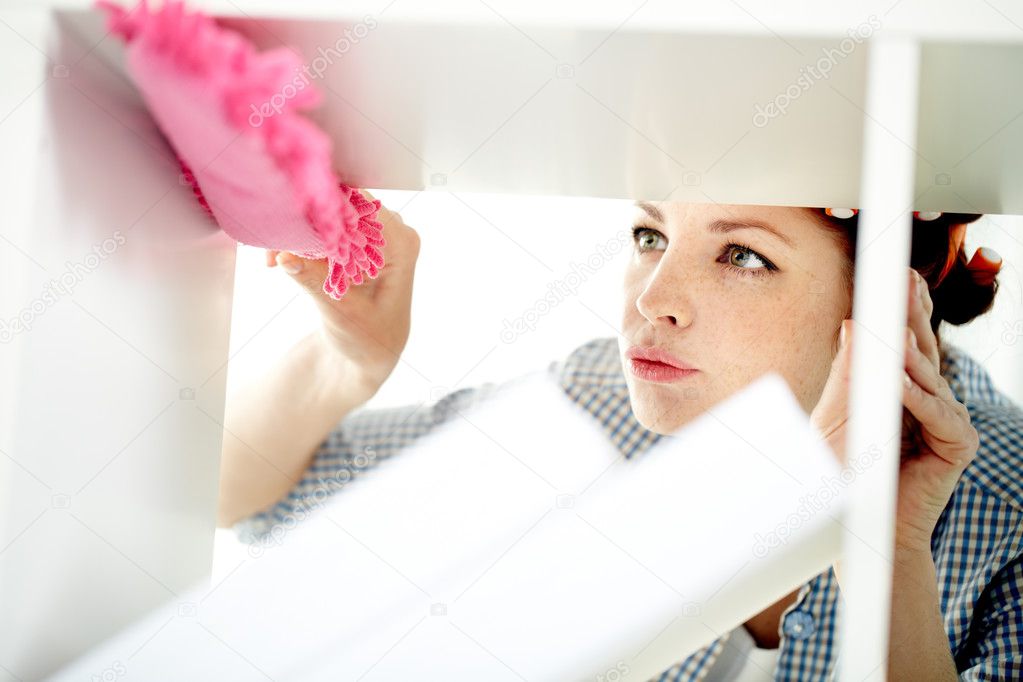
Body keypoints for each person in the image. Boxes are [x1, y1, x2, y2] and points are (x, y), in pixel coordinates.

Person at [217, 194, 1021, 681]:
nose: (653, 298)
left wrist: (888, 557)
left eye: (741, 255)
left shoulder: (1007, 510)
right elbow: (252, 500)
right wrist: (346, 361)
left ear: (889, 303)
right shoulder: (598, 400)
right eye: (649, 236)